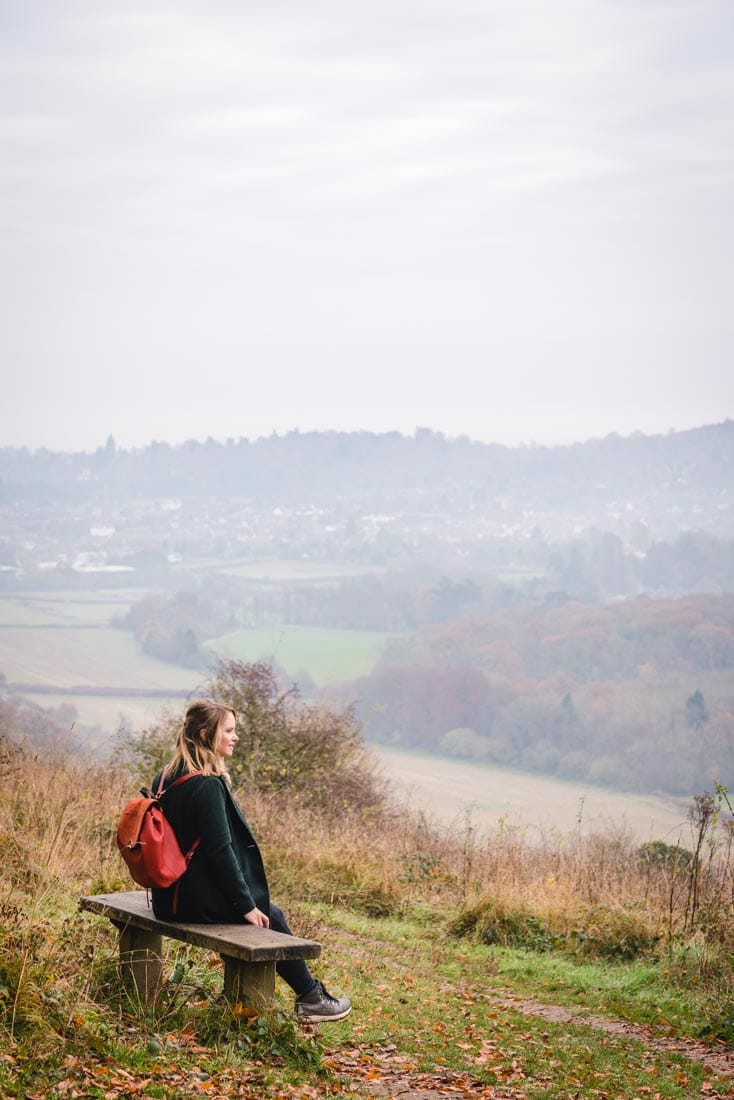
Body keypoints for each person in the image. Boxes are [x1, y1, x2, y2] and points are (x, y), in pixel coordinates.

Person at [150, 698, 352, 1023]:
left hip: (166, 896)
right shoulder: (206, 785)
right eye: (228, 730)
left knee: (264, 912)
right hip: (189, 902)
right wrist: (245, 904)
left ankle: (301, 995)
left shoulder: (167, 775)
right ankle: (310, 997)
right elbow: (220, 852)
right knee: (269, 914)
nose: (235, 737)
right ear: (205, 735)